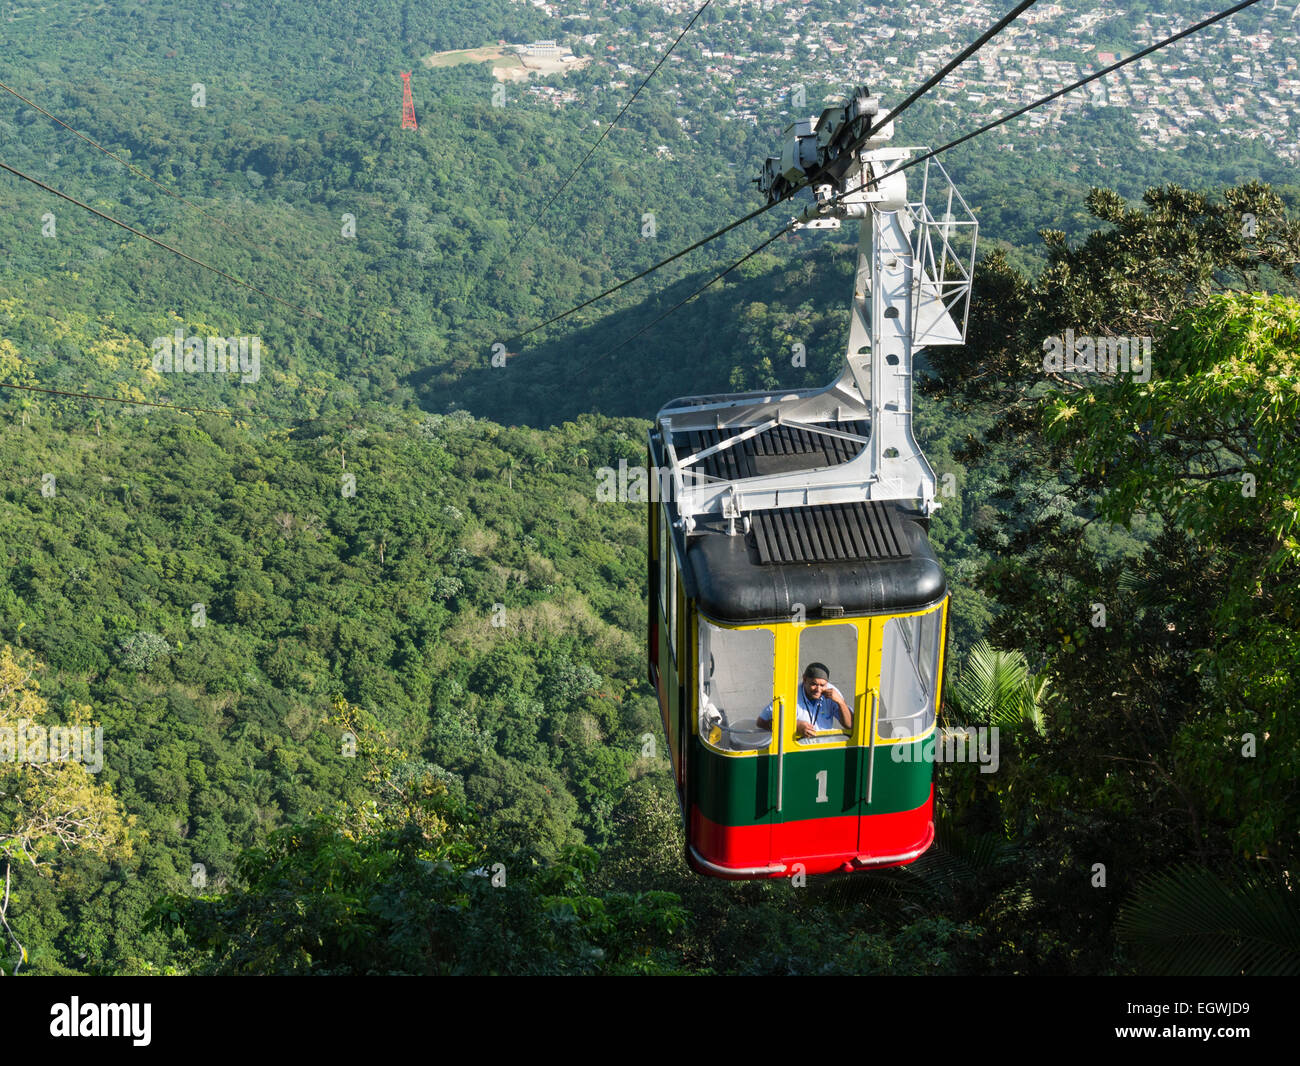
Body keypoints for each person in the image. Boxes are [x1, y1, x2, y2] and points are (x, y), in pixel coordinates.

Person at [756, 663, 852, 739]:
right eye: (814, 684)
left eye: (822, 685)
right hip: (798, 747)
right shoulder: (789, 695)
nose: (818, 689)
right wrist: (795, 725)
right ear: (804, 679)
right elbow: (761, 722)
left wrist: (841, 703)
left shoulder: (832, 692)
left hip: (824, 745)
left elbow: (849, 724)